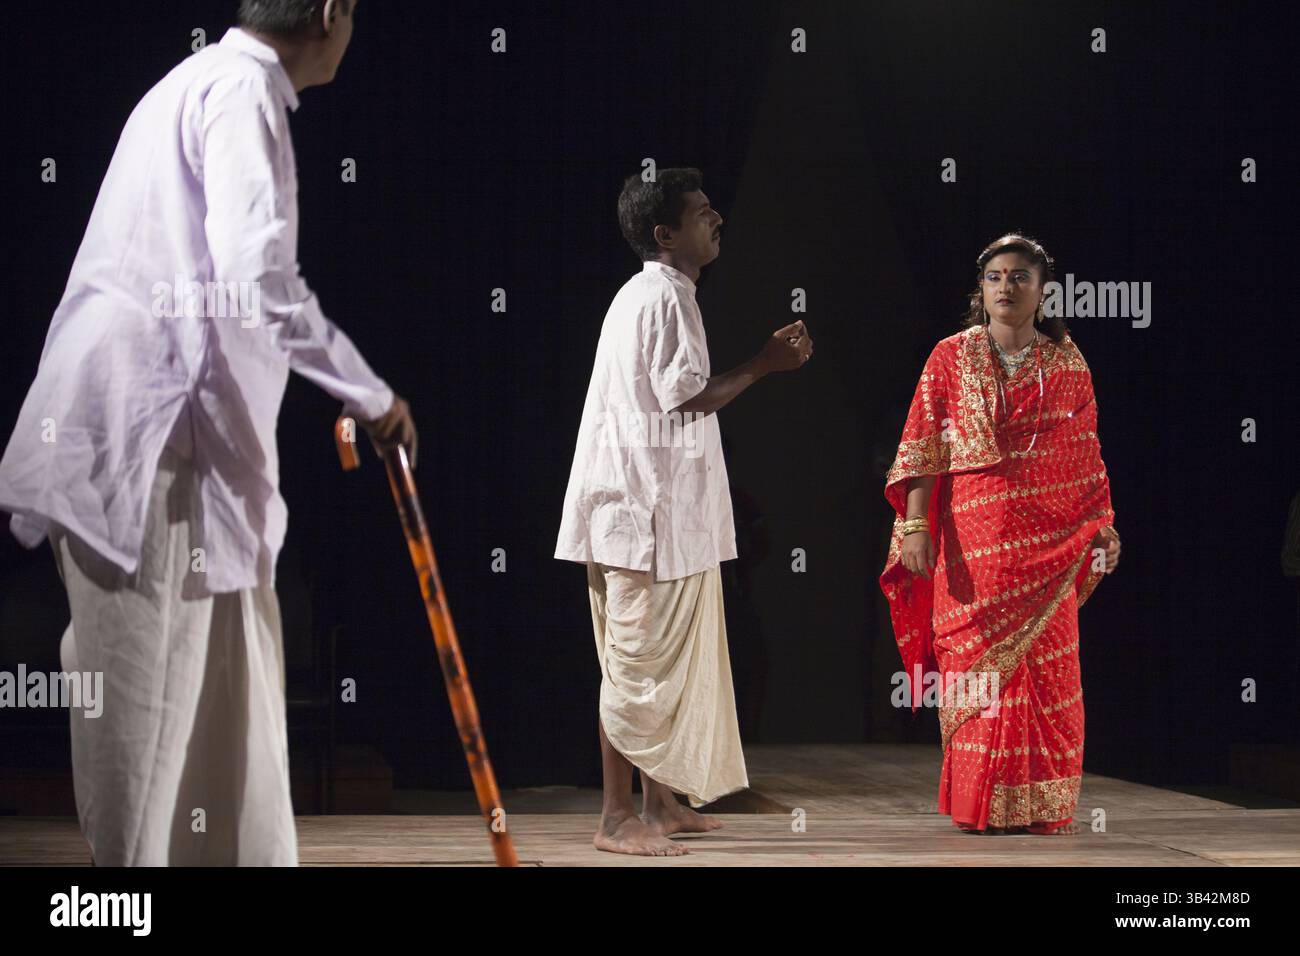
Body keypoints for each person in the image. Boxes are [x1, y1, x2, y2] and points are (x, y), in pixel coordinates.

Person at [0, 0, 416, 866]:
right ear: (331, 12)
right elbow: (254, 273)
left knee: (231, 724)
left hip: (176, 445)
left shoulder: (190, 83)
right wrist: (370, 395)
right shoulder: (237, 90)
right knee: (147, 728)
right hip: (154, 444)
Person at [555, 168, 812, 856]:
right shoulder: (666, 299)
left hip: (648, 513)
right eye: (702, 213)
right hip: (639, 519)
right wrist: (764, 363)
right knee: (634, 670)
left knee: (651, 667)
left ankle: (660, 803)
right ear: (664, 234)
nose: (717, 219)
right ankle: (616, 819)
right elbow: (686, 399)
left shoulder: (654, 295)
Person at [879, 233, 1120, 835]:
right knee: (976, 668)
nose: (1006, 287)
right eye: (995, 277)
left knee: (1048, 668)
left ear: (1042, 291)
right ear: (979, 290)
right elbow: (921, 447)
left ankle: (1039, 806)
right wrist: (913, 524)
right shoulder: (949, 357)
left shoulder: (1067, 363)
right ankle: (980, 804)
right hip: (972, 540)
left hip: (1050, 547)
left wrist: (1102, 529)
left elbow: (1085, 459)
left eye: (1020, 278)